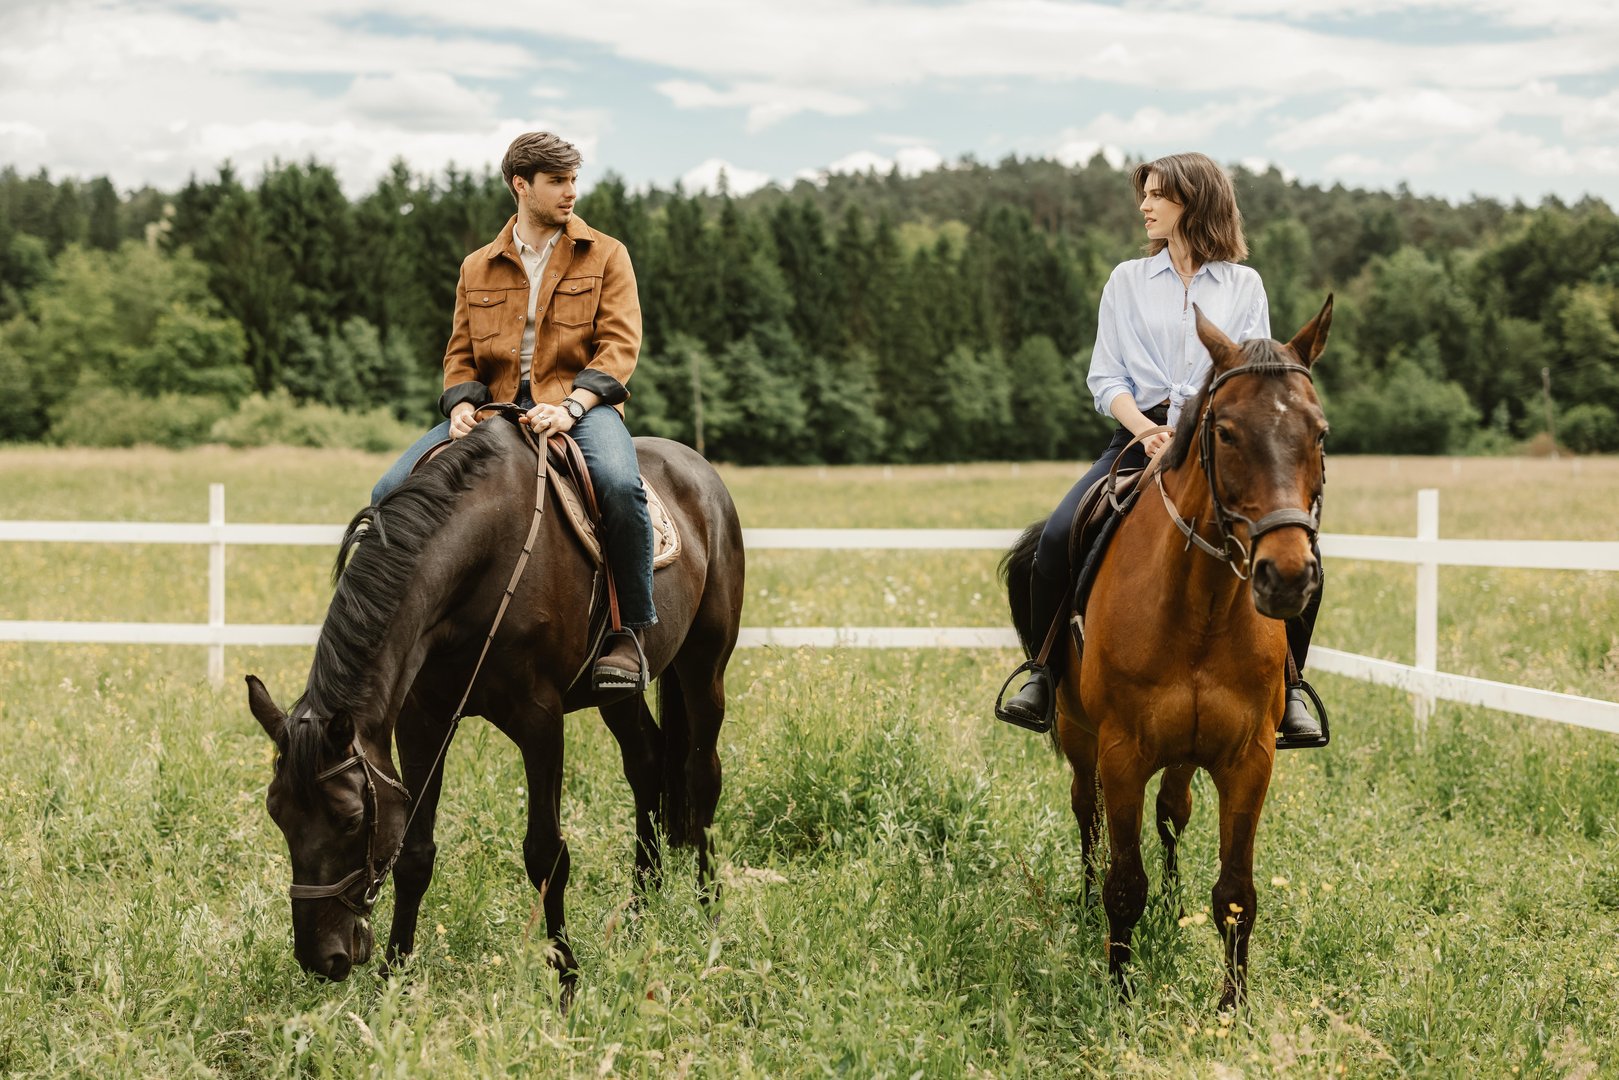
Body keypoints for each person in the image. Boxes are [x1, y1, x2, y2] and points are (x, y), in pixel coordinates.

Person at [996, 152, 1326, 745]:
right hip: (1135, 436)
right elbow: (1106, 378)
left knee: (1298, 550)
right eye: (1144, 194)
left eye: (1156, 196)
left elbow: (1254, 375)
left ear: (1192, 202)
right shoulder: (1126, 280)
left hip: (1216, 441)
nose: (1144, 206)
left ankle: (1291, 684)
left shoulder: (1244, 284)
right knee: (1053, 538)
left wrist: (1197, 427)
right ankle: (1042, 673)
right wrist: (1146, 430)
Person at [372, 131, 655, 695]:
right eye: (557, 182)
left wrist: (572, 406)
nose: (570, 192)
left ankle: (631, 632)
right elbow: (459, 355)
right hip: (493, 409)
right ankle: (393, 633)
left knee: (622, 487)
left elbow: (621, 346)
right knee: (387, 493)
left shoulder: (605, 253)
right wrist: (459, 406)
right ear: (520, 185)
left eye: (574, 179)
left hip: (582, 405)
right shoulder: (477, 266)